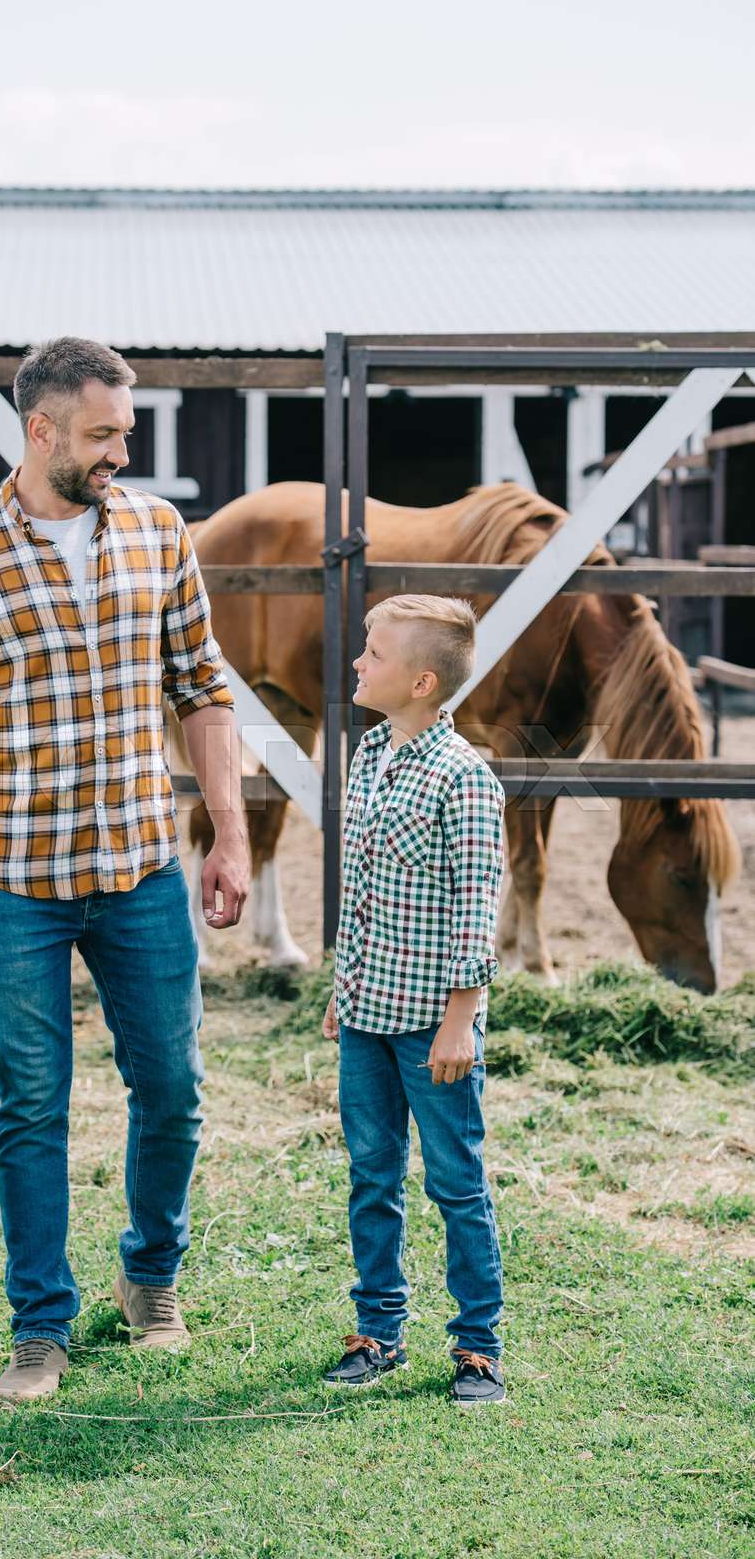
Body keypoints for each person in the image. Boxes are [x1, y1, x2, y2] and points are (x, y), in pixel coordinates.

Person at [0, 336, 250, 1403]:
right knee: (35, 1102)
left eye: (125, 431)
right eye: (102, 434)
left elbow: (202, 691)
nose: (120, 452)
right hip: (13, 877)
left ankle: (151, 1279)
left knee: (174, 1088)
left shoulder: (157, 532)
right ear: (39, 430)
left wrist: (226, 832)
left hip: (140, 863)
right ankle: (40, 1325)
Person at [321, 594, 508, 1406]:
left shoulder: (463, 779)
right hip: (366, 1014)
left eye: (375, 653)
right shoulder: (368, 755)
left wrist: (460, 1021)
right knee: (372, 1175)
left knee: (455, 1182)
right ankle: (378, 1331)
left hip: (433, 1025)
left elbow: (476, 907)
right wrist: (341, 991)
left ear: (423, 681)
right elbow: (357, 889)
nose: (359, 662)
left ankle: (477, 1347)